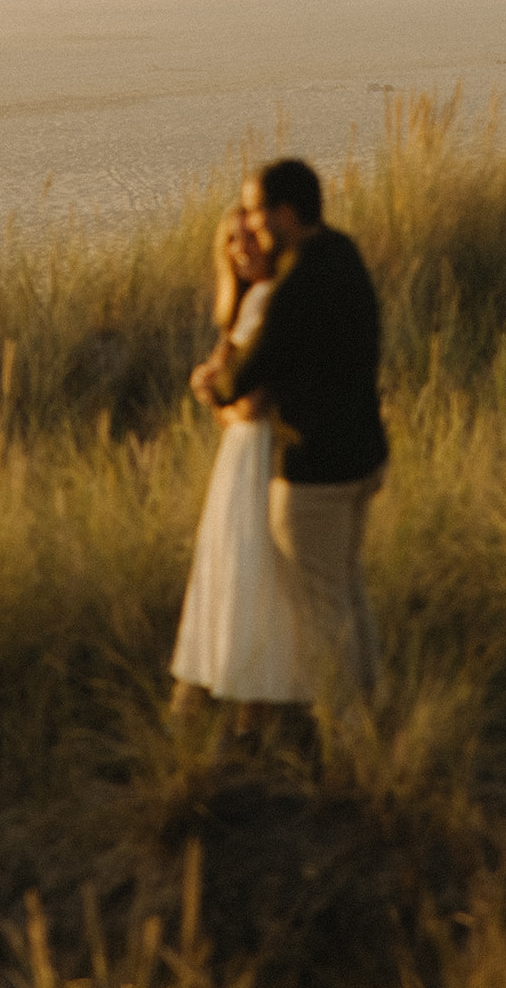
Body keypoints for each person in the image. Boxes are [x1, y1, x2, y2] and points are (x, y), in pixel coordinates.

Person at [214, 158, 388, 714]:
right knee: (347, 591)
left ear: (285, 213)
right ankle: (375, 709)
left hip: (314, 472)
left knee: (322, 612)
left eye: (257, 210)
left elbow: (241, 379)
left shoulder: (296, 282)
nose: (252, 223)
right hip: (365, 455)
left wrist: (209, 382)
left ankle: (350, 743)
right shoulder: (345, 252)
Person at [169, 203, 311, 737]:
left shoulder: (271, 302)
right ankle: (251, 706)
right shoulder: (248, 303)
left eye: (249, 239)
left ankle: (257, 702)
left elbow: (251, 403)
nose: (240, 249)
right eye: (231, 241)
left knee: (253, 568)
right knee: (235, 567)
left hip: (259, 452)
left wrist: (212, 394)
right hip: (241, 455)